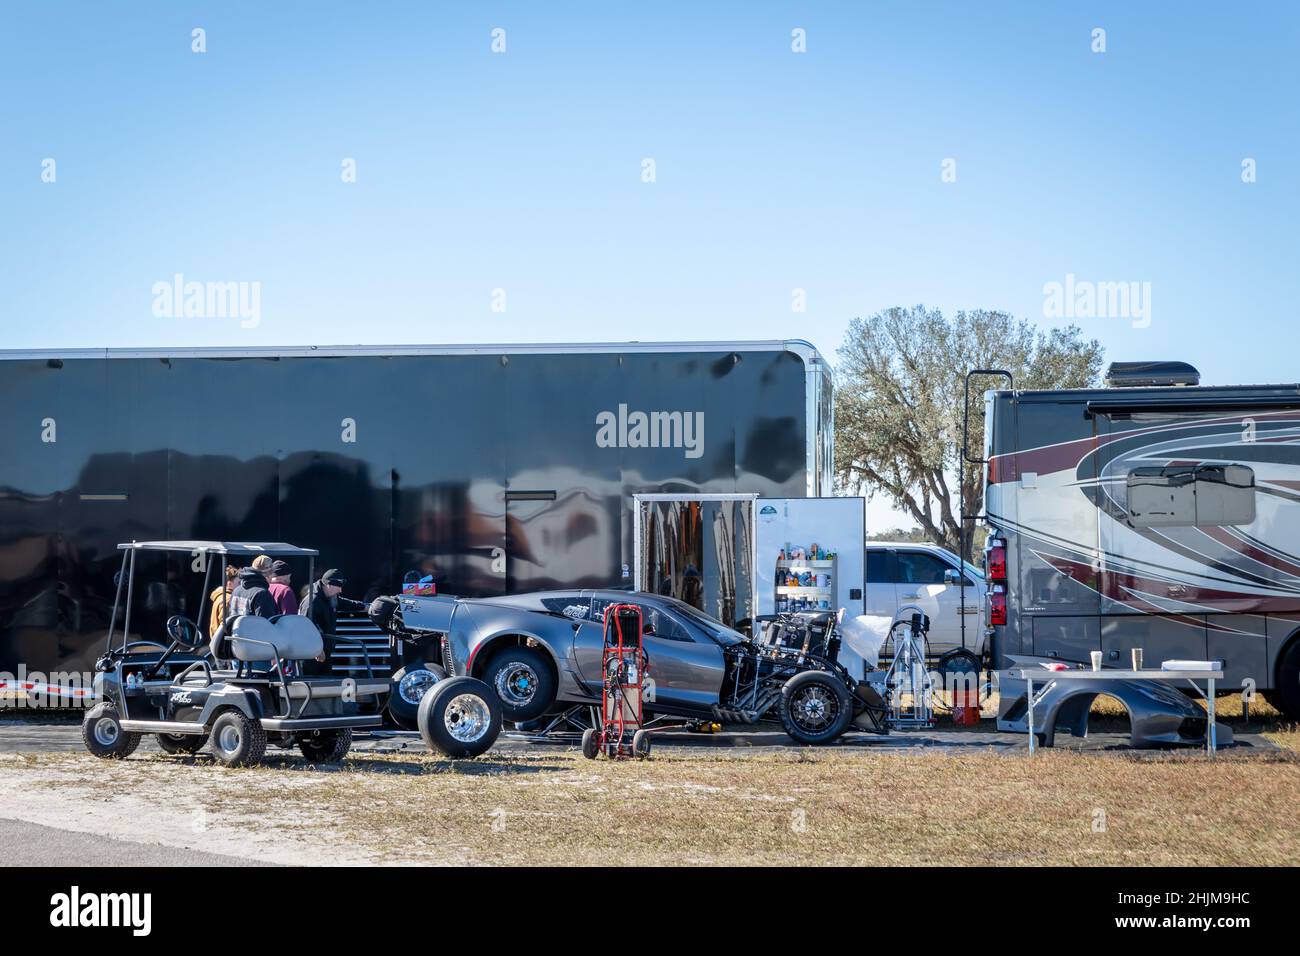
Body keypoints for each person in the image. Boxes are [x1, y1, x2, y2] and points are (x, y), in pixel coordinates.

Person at [299, 569, 364, 675]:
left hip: (325, 652)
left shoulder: (330, 598)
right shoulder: (312, 602)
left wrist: (365, 607)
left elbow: (346, 603)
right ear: (329, 585)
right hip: (311, 655)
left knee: (325, 684)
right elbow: (306, 628)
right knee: (312, 685)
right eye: (339, 587)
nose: (340, 591)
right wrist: (318, 649)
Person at [208, 565, 239, 641]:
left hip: (217, 640)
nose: (241, 585)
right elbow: (225, 624)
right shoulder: (228, 599)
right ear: (229, 584)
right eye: (238, 583)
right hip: (223, 643)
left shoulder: (221, 596)